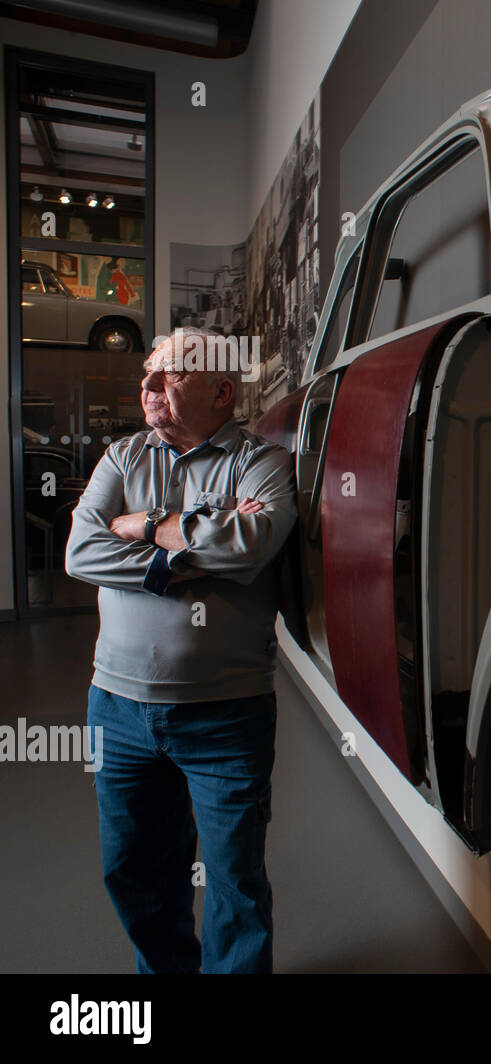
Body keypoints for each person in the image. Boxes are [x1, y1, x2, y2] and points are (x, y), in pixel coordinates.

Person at [65, 327, 297, 973]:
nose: (148, 388)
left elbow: (252, 543)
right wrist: (187, 557)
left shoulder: (263, 463)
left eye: (170, 375)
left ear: (222, 391)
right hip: (116, 705)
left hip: (226, 714)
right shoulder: (121, 457)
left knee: (234, 884)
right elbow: (81, 553)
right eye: (148, 375)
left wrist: (141, 526)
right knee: (134, 870)